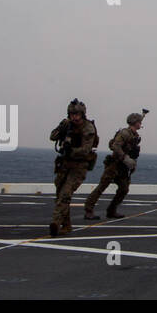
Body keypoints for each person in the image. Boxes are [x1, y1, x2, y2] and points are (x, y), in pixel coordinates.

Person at [48, 99, 97, 237]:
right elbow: (52, 136)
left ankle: (55, 223)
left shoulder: (88, 128)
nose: (74, 117)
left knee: (65, 194)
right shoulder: (67, 124)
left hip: (79, 166)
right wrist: (62, 128)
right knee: (60, 193)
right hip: (64, 164)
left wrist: (71, 150)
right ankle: (66, 224)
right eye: (72, 114)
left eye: (77, 114)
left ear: (82, 114)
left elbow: (86, 150)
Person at [84, 111, 145, 221]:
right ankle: (89, 209)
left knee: (124, 189)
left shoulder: (134, 135)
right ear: (135, 122)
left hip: (123, 168)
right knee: (102, 186)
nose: (140, 123)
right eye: (139, 122)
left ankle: (111, 210)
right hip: (114, 165)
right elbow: (116, 146)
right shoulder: (125, 133)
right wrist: (125, 158)